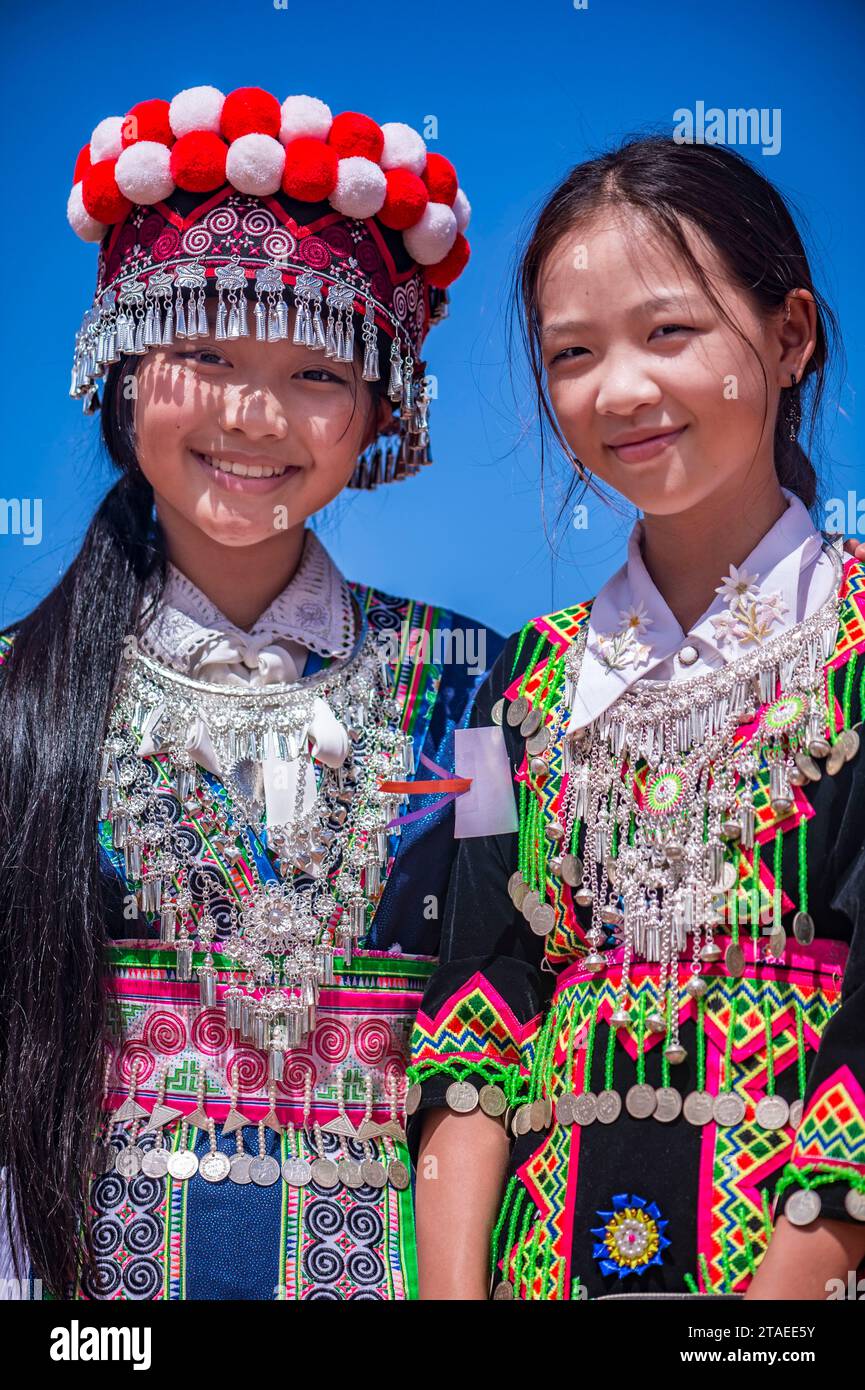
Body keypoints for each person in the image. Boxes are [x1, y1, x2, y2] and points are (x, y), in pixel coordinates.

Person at [0, 83, 498, 1301]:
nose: (253, 414)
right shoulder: (19, 691)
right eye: (207, 350)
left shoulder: (475, 687)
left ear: (387, 407)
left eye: (317, 373)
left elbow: (498, 1019)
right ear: (120, 363)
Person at [408, 135, 865, 1300]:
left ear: (789, 335)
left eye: (669, 333)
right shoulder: (503, 690)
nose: (618, 389)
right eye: (572, 353)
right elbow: (474, 999)